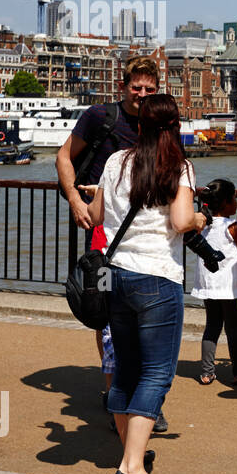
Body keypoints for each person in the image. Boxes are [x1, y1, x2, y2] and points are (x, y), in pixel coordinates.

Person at [81, 94, 207, 474]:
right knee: (156, 374)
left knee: (125, 371)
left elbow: (97, 216)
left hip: (115, 276)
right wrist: (203, 217)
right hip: (156, 279)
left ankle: (129, 454)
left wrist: (95, 191)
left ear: (139, 125)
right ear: (174, 127)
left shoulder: (116, 161)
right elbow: (181, 222)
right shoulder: (178, 167)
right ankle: (132, 467)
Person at [55, 55, 169, 434]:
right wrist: (75, 200)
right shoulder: (99, 116)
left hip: (150, 238)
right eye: (135, 88)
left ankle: (144, 400)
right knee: (105, 313)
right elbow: (64, 156)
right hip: (104, 235)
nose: (141, 95)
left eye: (149, 90)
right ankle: (118, 394)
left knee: (148, 317)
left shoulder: (157, 123)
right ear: (123, 87)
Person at [191, 179, 237, 387]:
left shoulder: (203, 224)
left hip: (209, 283)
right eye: (234, 199)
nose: (236, 202)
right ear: (227, 202)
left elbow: (225, 236)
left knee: (212, 326)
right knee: (233, 330)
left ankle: (206, 372)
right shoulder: (233, 226)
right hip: (229, 287)